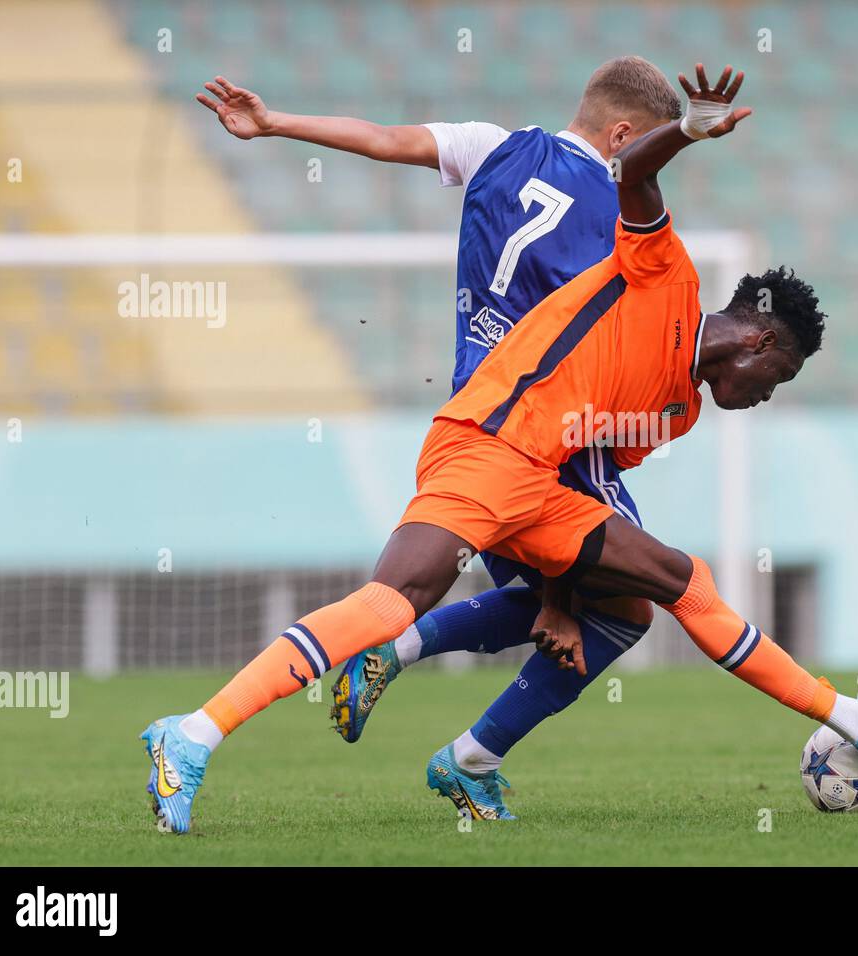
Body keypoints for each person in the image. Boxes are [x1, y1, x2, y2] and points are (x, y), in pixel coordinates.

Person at [144, 64, 858, 832]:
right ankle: (194, 733)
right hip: (486, 441)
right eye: (778, 376)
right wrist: (687, 132)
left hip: (540, 482)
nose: (769, 395)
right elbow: (633, 173)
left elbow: (585, 471)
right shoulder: (662, 272)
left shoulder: (676, 411)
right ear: (760, 337)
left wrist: (559, 593)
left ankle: (851, 715)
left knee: (673, 584)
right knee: (393, 598)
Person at [197, 58, 686, 800]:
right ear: (622, 134)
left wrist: (273, 124)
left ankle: (427, 694)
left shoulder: (495, 144)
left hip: (467, 413)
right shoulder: (612, 214)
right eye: (643, 148)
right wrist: (559, 597)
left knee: (607, 601)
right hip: (545, 426)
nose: (642, 165)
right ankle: (466, 751)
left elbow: (383, 139)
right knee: (625, 607)